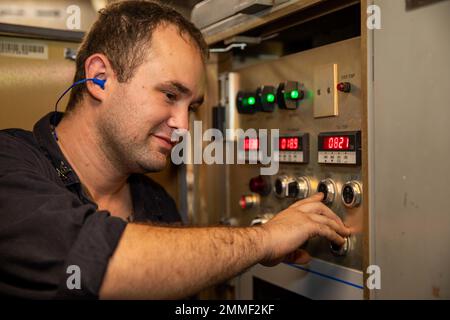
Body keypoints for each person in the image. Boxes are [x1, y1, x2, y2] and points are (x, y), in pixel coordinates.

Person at [0, 0, 351, 299]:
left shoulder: (156, 204)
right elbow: (91, 258)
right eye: (169, 95)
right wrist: (263, 239)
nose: (184, 126)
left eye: (192, 106)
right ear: (98, 78)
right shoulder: (10, 164)